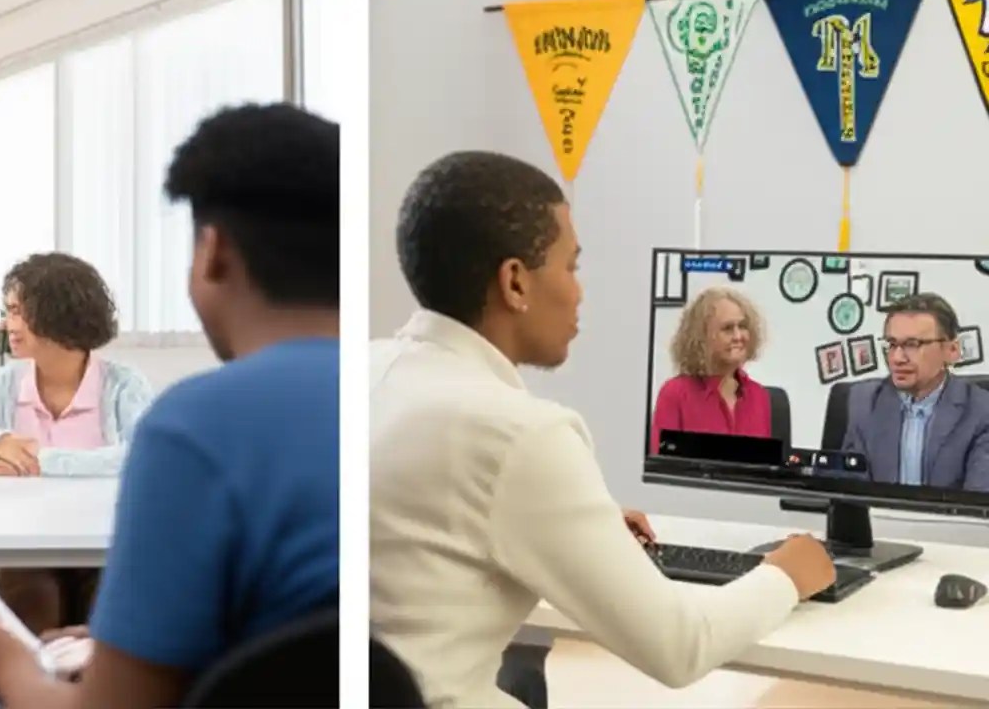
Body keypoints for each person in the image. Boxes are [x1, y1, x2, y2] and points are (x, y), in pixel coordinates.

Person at [0, 102, 340, 709]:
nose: (7, 323)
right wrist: (109, 645)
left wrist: (21, 678)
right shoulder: (380, 397)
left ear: (213, 252)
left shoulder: (194, 427)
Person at [370, 151, 835, 708]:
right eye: (571, 267)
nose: (580, 291)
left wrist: (576, 524)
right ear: (515, 282)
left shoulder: (365, 370)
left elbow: (418, 519)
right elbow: (680, 645)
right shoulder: (521, 434)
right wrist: (785, 573)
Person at [0, 252, 154, 634]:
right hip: (24, 549)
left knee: (106, 624)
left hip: (104, 550)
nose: (4, 323)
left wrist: (41, 462)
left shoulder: (123, 386)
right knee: (32, 611)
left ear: (56, 314)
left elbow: (141, 458)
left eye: (15, 312)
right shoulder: (6, 385)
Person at [840, 292, 989, 489]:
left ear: (951, 350)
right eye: (892, 344)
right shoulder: (863, 402)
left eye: (912, 345)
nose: (897, 358)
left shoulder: (981, 412)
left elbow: (977, 504)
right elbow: (847, 491)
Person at [650, 286, 771, 452]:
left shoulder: (759, 396)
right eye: (727, 328)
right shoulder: (675, 394)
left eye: (742, 326)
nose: (738, 336)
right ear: (702, 338)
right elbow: (662, 469)